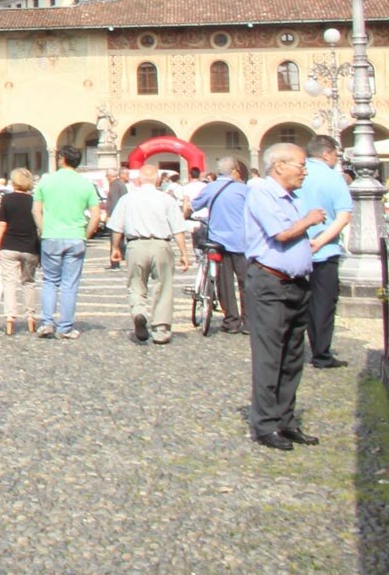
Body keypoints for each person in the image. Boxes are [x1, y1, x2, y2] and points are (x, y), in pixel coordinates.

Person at [242, 143, 322, 450]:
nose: (304, 171)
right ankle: (265, 423)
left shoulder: (292, 199)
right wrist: (310, 220)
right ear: (279, 166)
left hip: (296, 285)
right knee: (270, 355)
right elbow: (281, 234)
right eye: (300, 165)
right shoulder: (262, 193)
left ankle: (286, 419)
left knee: (292, 356)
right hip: (270, 284)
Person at [108, 167, 192, 345]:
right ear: (158, 180)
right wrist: (184, 253)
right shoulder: (166, 199)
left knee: (136, 285)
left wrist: (115, 247)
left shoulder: (128, 199)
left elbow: (117, 227)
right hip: (161, 244)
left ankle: (139, 312)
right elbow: (177, 229)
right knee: (163, 285)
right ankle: (161, 329)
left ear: (138, 180)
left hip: (136, 244)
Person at [33, 145, 101, 339]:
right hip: (76, 236)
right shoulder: (85, 184)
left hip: (51, 236)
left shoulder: (46, 182)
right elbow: (96, 216)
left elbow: (36, 210)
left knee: (50, 282)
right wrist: (86, 234)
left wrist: (43, 229)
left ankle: (47, 323)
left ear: (62, 158)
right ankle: (65, 327)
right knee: (70, 284)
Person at [300, 134, 353, 369]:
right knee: (322, 303)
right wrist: (320, 241)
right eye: (335, 155)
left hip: (294, 246)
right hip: (324, 249)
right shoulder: (333, 178)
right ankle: (321, 353)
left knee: (296, 301)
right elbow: (343, 216)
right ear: (327, 154)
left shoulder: (298, 173)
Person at [190, 157, 251, 334]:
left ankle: (231, 320)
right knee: (245, 282)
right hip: (242, 242)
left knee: (224, 283)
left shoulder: (210, 187)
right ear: (234, 171)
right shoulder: (244, 190)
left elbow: (194, 206)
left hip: (218, 242)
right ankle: (248, 322)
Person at [0, 167, 41, 335]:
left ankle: (10, 318)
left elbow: (1, 224)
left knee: (9, 282)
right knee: (29, 282)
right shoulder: (34, 201)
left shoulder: (7, 199)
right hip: (30, 246)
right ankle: (30, 317)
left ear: (14, 182)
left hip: (9, 245)